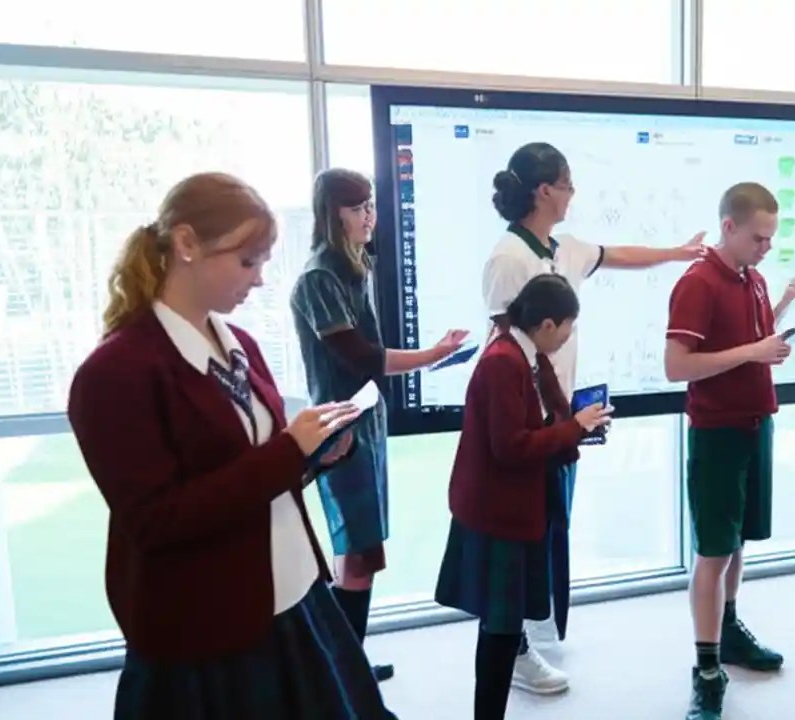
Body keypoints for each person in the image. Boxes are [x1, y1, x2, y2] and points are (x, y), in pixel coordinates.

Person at [67, 172, 397, 719]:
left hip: (293, 594)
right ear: (187, 245)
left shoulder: (238, 344)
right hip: (207, 624)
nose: (260, 280)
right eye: (248, 263)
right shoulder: (115, 373)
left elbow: (254, 473)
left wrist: (313, 455)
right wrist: (291, 452)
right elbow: (155, 521)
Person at [481, 141, 707, 693]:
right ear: (545, 191)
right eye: (568, 183)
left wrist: (677, 254)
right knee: (523, 535)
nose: (573, 193)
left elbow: (620, 254)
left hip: (560, 416)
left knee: (550, 527)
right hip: (528, 421)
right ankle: (514, 647)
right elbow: (504, 344)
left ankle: (529, 634)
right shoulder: (507, 257)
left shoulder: (565, 247)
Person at [291, 168, 468, 681]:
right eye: (359, 207)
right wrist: (431, 355)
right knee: (359, 554)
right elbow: (361, 357)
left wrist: (430, 357)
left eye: (371, 205)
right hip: (340, 434)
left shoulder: (354, 267)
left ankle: (345, 664)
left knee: (360, 555)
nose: (370, 216)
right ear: (333, 214)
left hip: (362, 426)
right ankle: (341, 669)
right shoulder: (319, 277)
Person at [665, 182, 795, 720]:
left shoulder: (750, 278)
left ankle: (728, 631)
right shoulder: (698, 282)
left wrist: (785, 300)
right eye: (759, 237)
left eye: (771, 238)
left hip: (757, 424)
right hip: (718, 432)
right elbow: (676, 366)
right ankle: (706, 668)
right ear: (728, 228)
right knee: (713, 549)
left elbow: (755, 336)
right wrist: (755, 350)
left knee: (736, 543)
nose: (766, 247)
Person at [434, 273, 612, 720]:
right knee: (500, 630)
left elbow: (545, 420)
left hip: (513, 508)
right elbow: (510, 446)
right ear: (548, 325)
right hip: (499, 513)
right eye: (569, 326)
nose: (570, 335)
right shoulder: (504, 362)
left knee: (502, 627)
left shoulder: (525, 356)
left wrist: (578, 425)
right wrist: (573, 428)